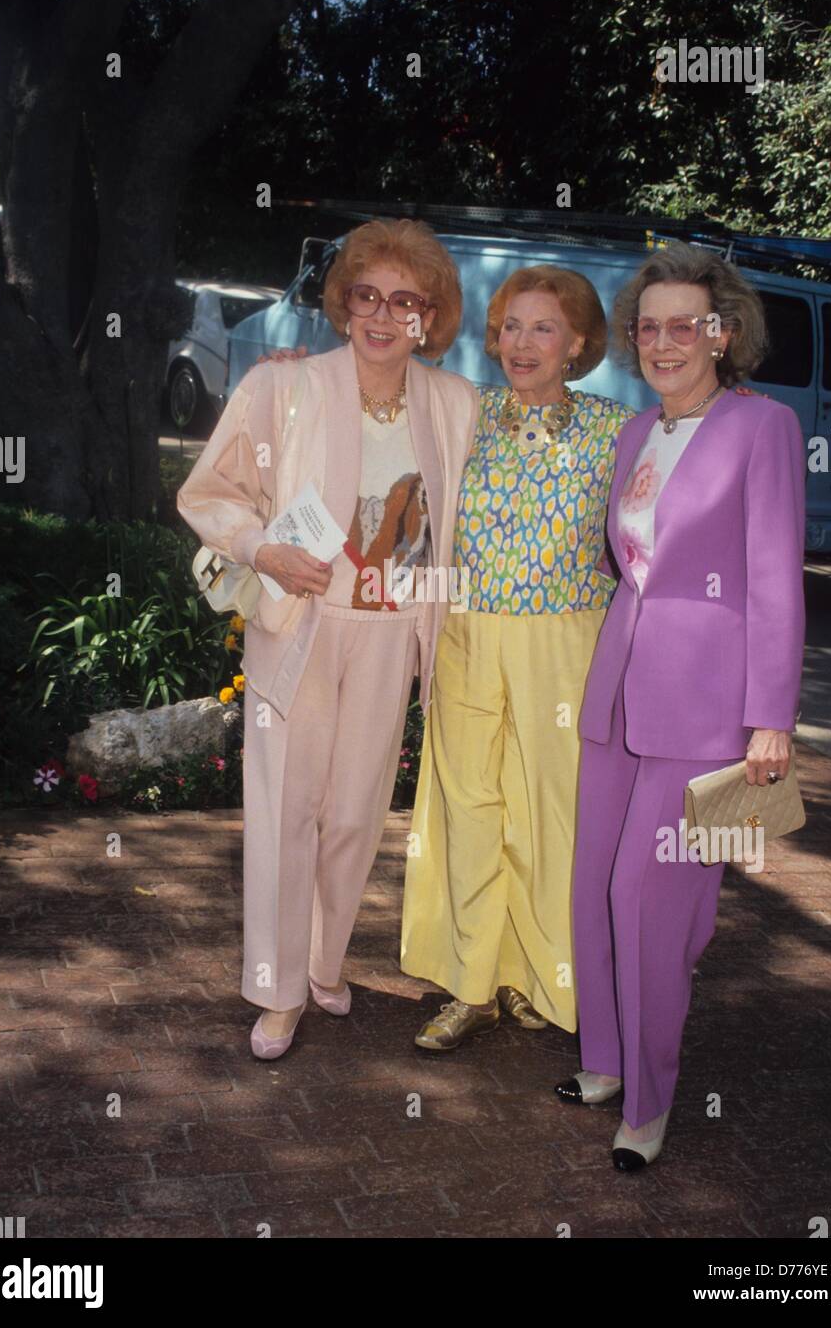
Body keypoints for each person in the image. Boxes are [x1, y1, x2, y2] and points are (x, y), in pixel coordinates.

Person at [177, 218, 479, 1059]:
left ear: (430, 316)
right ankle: (275, 992)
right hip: (299, 626)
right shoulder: (286, 387)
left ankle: (324, 963)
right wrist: (259, 547)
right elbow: (212, 490)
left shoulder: (456, 405)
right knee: (285, 811)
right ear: (344, 303)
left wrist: (711, 397)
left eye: (406, 301)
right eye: (367, 295)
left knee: (353, 817)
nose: (384, 315)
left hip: (394, 634)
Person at [556, 241, 806, 1170]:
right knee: (591, 886)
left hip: (708, 708)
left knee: (649, 900)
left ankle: (651, 1105)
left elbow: (777, 576)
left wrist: (770, 715)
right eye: (648, 326)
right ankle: (606, 1062)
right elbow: (632, 567)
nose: (664, 341)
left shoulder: (762, 425)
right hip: (618, 690)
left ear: (723, 332)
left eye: (685, 324)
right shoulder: (634, 432)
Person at [399, 266, 632, 1049]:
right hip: (468, 636)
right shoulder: (464, 412)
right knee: (468, 813)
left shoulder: (616, 429)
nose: (521, 344)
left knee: (552, 820)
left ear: (576, 344)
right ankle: (472, 985)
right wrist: (285, 372)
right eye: (509, 327)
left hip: (564, 647)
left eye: (542, 329)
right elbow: (374, 396)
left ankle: (545, 981)